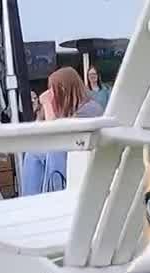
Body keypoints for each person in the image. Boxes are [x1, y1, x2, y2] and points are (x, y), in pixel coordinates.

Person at [20, 67, 103, 195]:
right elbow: (40, 132)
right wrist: (43, 111)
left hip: (82, 159)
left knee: (51, 150)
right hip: (71, 156)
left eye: (53, 89)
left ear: (63, 89)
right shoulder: (68, 109)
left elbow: (54, 135)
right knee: (33, 151)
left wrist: (47, 104)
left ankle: (54, 194)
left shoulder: (89, 109)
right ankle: (31, 200)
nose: (51, 94)